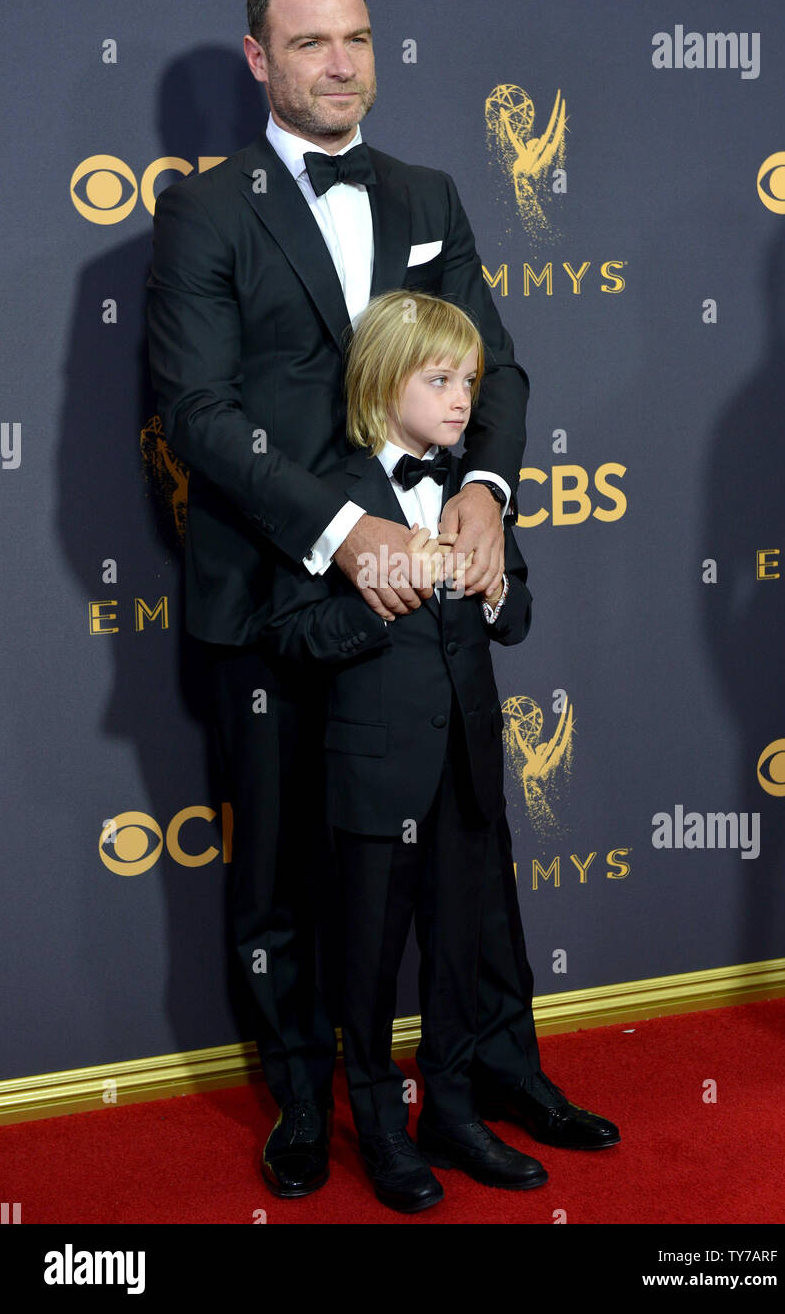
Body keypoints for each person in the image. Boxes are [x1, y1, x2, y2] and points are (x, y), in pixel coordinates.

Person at [146, 0, 618, 1200]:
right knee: (289, 869)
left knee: (466, 843)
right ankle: (306, 1099)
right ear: (260, 59)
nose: (341, 63)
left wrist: (482, 490)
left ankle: (489, 1064)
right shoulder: (208, 208)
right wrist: (342, 534)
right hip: (280, 585)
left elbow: (494, 370)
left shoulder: (427, 189)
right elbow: (196, 410)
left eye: (356, 38)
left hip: (430, 583)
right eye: (311, 44)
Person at [262, 288, 554, 1211]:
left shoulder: (473, 491)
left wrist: (492, 588)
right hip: (371, 775)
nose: (463, 399)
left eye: (469, 379)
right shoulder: (331, 497)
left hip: (466, 772)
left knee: (459, 955)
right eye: (440, 379)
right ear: (384, 381)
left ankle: (454, 1113)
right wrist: (380, 587)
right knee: (368, 963)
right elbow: (294, 634)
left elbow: (518, 613)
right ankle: (381, 1128)